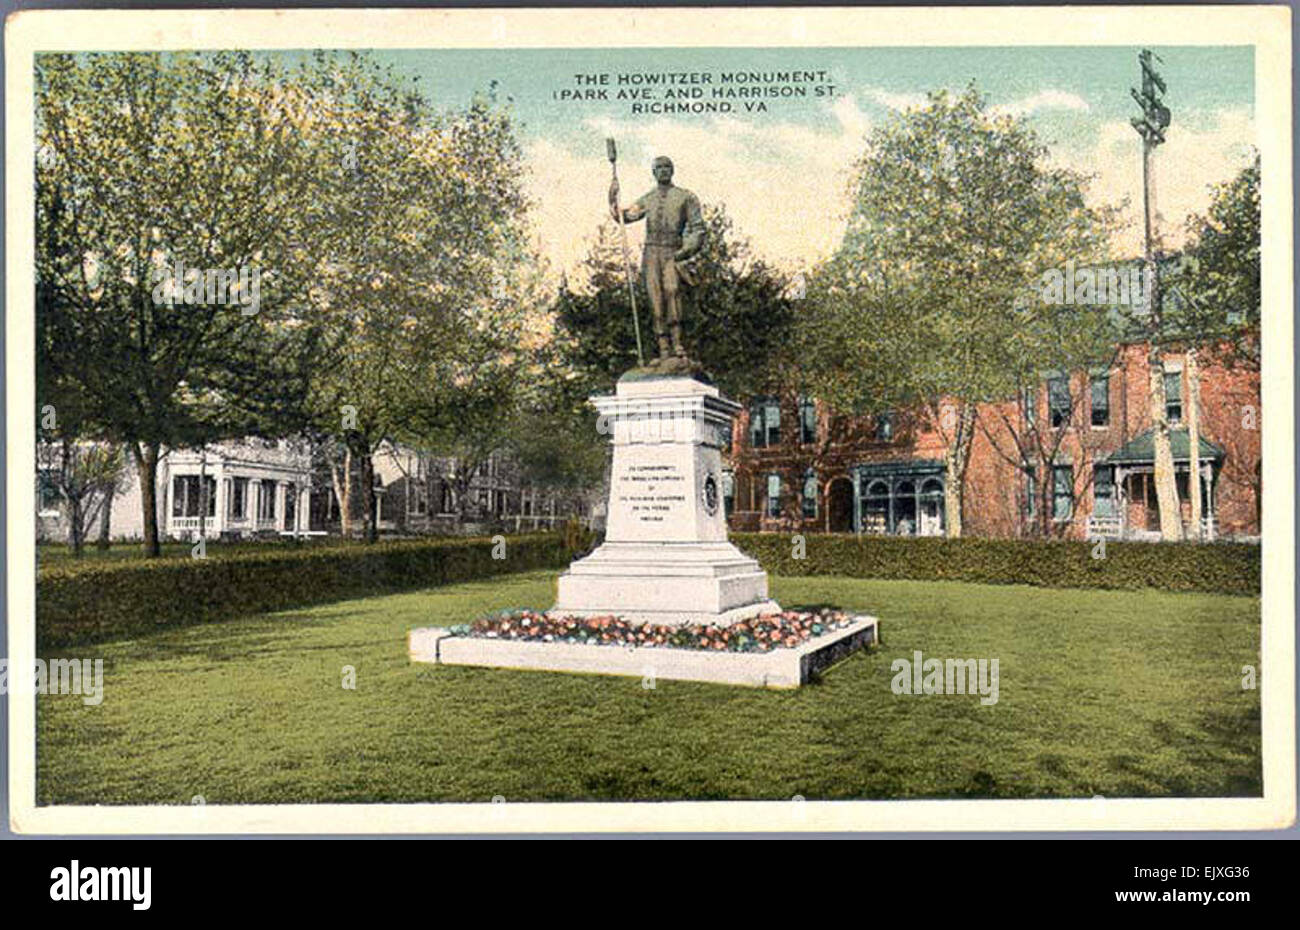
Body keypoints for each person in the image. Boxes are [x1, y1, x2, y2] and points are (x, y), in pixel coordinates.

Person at [609, 155, 705, 361]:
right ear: (653, 172)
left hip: (673, 252)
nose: (663, 170)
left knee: (673, 292)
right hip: (652, 253)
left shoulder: (685, 197)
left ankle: (678, 344)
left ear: (672, 170)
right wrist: (612, 198)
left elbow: (698, 229)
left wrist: (685, 251)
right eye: (659, 167)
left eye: (667, 167)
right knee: (655, 299)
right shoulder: (648, 199)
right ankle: (663, 347)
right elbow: (624, 216)